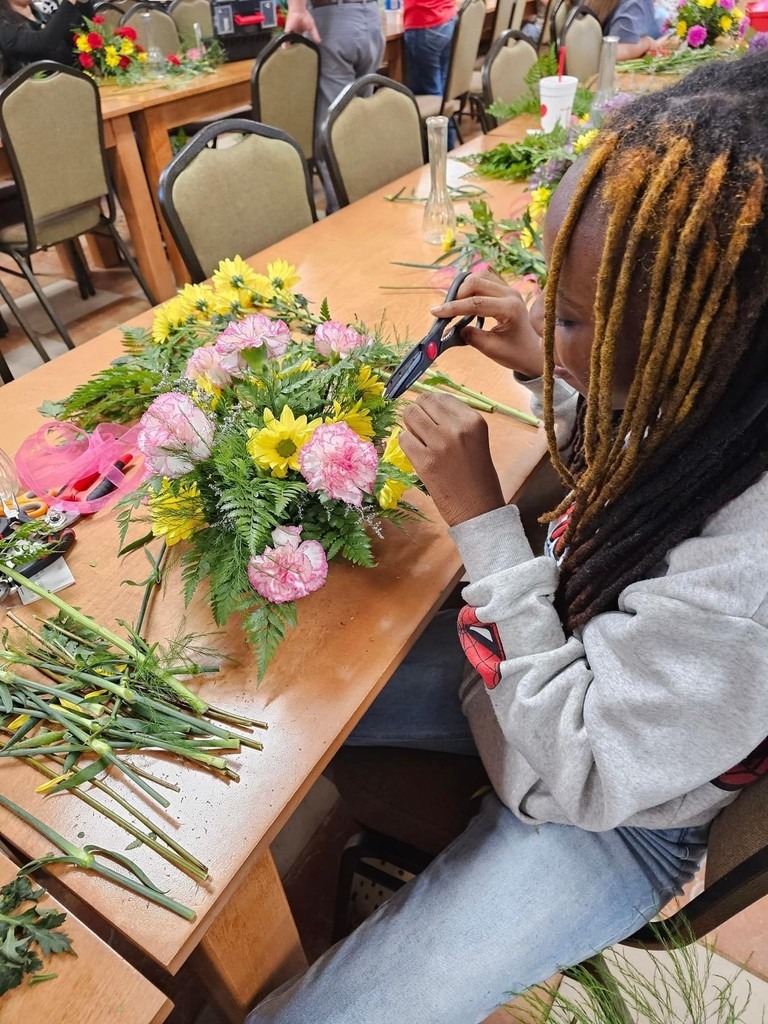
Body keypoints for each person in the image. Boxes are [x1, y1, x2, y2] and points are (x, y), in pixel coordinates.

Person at [248, 51, 768, 1023]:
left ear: (716, 342)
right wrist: (553, 363)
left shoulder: (755, 577)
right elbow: (651, 455)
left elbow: (583, 762)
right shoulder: (728, 406)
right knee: (269, 699)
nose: (548, 324)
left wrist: (487, 523)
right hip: (557, 671)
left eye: (575, 318)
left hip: (610, 798)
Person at [285, 0, 384, 210]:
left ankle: (346, 220)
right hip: (371, 17)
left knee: (332, 135)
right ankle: (367, 208)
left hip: (333, 20)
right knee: (360, 125)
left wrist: (297, 9)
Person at [403, 0, 457, 146]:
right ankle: (449, 149)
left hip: (425, 21)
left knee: (430, 97)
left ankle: (439, 154)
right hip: (446, 17)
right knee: (442, 96)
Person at [0, 0, 94, 78]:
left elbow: (77, 36)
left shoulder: (43, 17)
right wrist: (68, 2)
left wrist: (84, 4)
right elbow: (43, 43)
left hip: (72, 82)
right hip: (40, 94)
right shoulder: (5, 29)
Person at [589, 0, 672, 59]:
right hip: (603, 71)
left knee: (661, 15)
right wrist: (647, 42)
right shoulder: (638, 2)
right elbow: (616, 52)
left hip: (586, 60)